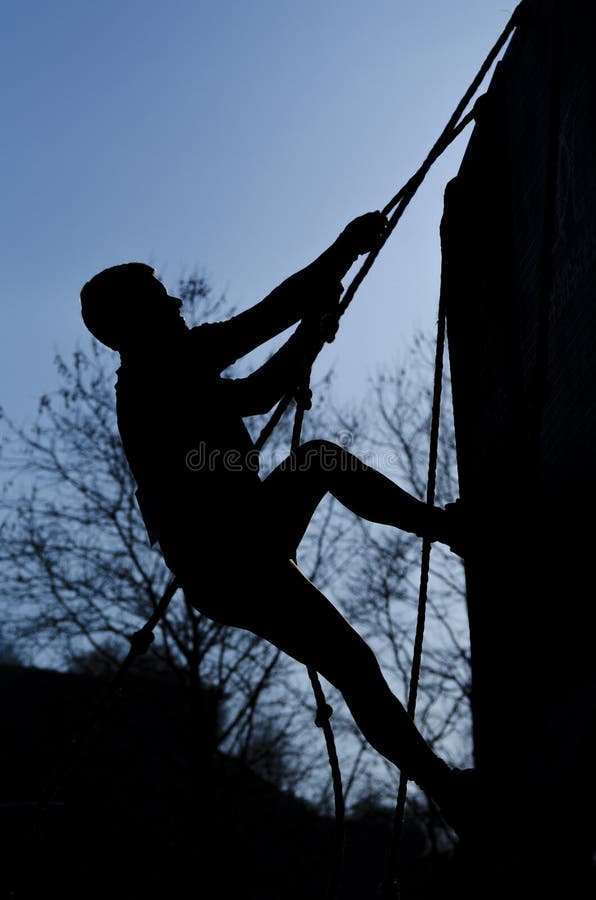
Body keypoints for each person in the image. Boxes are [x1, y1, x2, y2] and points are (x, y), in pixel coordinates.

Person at [80, 211, 468, 832]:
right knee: (351, 655)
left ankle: (448, 789)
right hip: (233, 556)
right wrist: (340, 254)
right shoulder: (160, 371)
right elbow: (262, 337)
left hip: (234, 554)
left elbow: (259, 384)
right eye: (161, 298)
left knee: (352, 661)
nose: (176, 301)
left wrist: (312, 332)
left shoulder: (162, 372)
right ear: (135, 322)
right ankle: (453, 535)